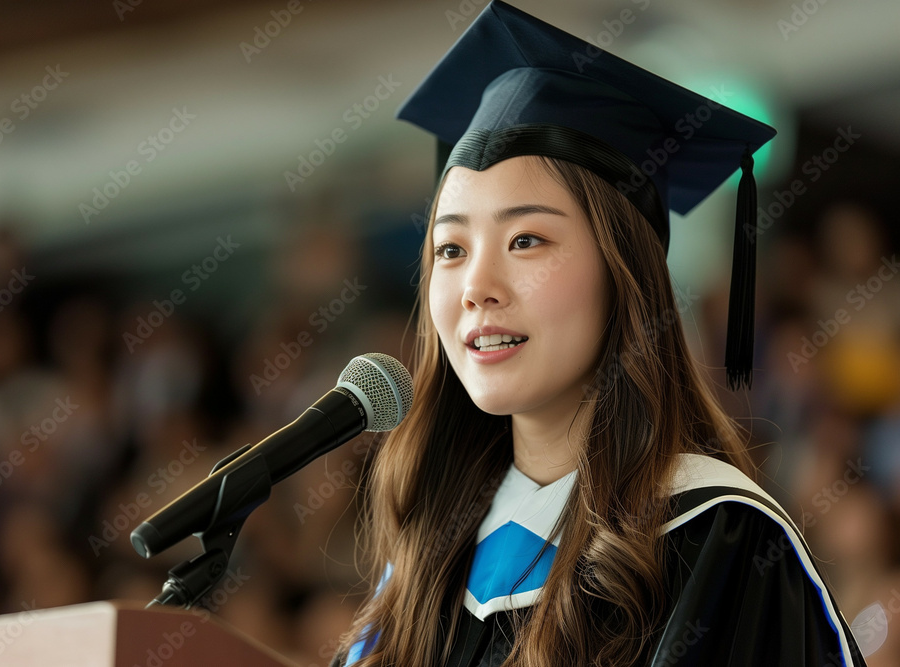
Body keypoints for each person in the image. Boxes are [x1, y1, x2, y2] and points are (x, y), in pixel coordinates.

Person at [331, 2, 868, 665]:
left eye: (526, 239)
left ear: (625, 276)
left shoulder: (715, 537)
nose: (476, 285)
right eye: (450, 249)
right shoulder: (417, 572)